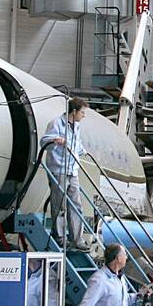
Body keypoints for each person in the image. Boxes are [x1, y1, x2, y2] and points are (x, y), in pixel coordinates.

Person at [40, 97, 90, 250]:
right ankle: (60, 236)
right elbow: (44, 141)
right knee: (60, 205)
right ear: (74, 111)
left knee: (76, 205)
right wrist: (56, 140)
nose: (84, 115)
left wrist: (83, 152)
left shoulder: (77, 126)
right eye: (82, 112)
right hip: (59, 170)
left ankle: (77, 239)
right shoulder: (56, 123)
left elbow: (76, 143)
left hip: (72, 170)